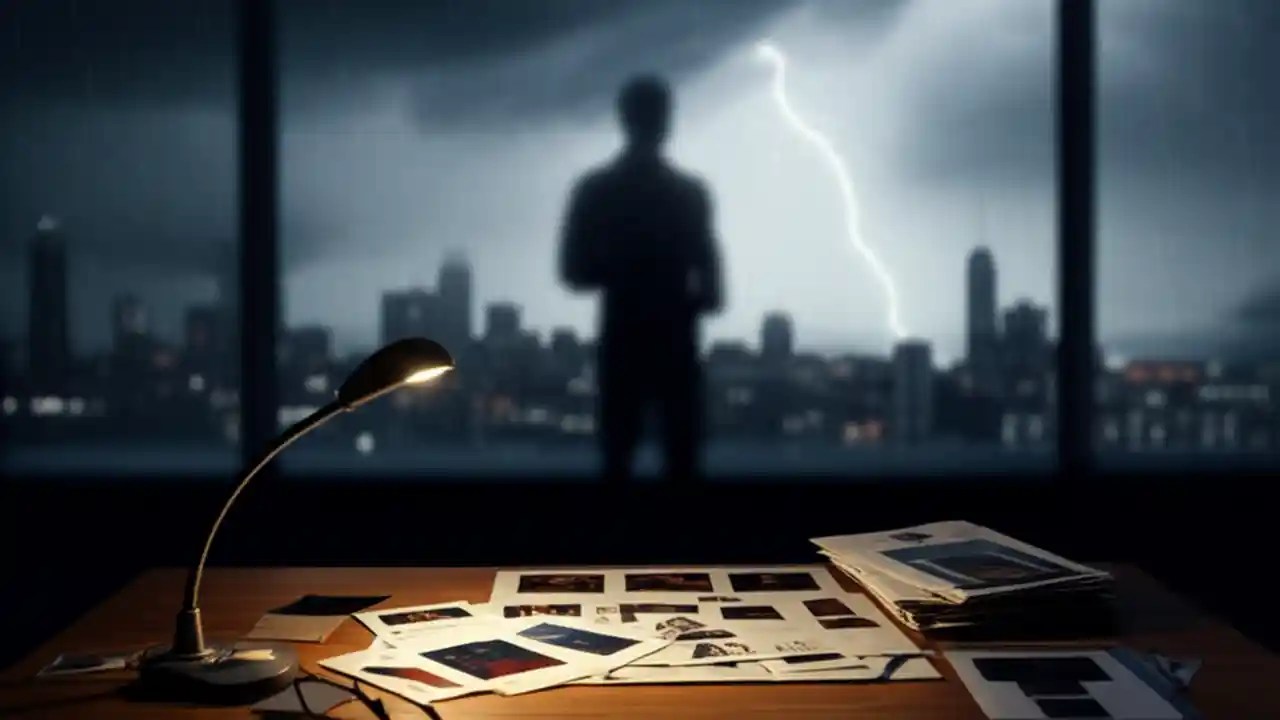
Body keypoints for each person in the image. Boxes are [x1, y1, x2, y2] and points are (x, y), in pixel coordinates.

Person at [558, 74, 724, 483]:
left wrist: (623, 275)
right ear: (666, 122)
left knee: (619, 458)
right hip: (675, 341)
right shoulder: (689, 194)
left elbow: (574, 270)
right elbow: (713, 286)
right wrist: (679, 297)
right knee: (681, 461)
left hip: (623, 337)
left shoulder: (596, 191)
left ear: (624, 120)